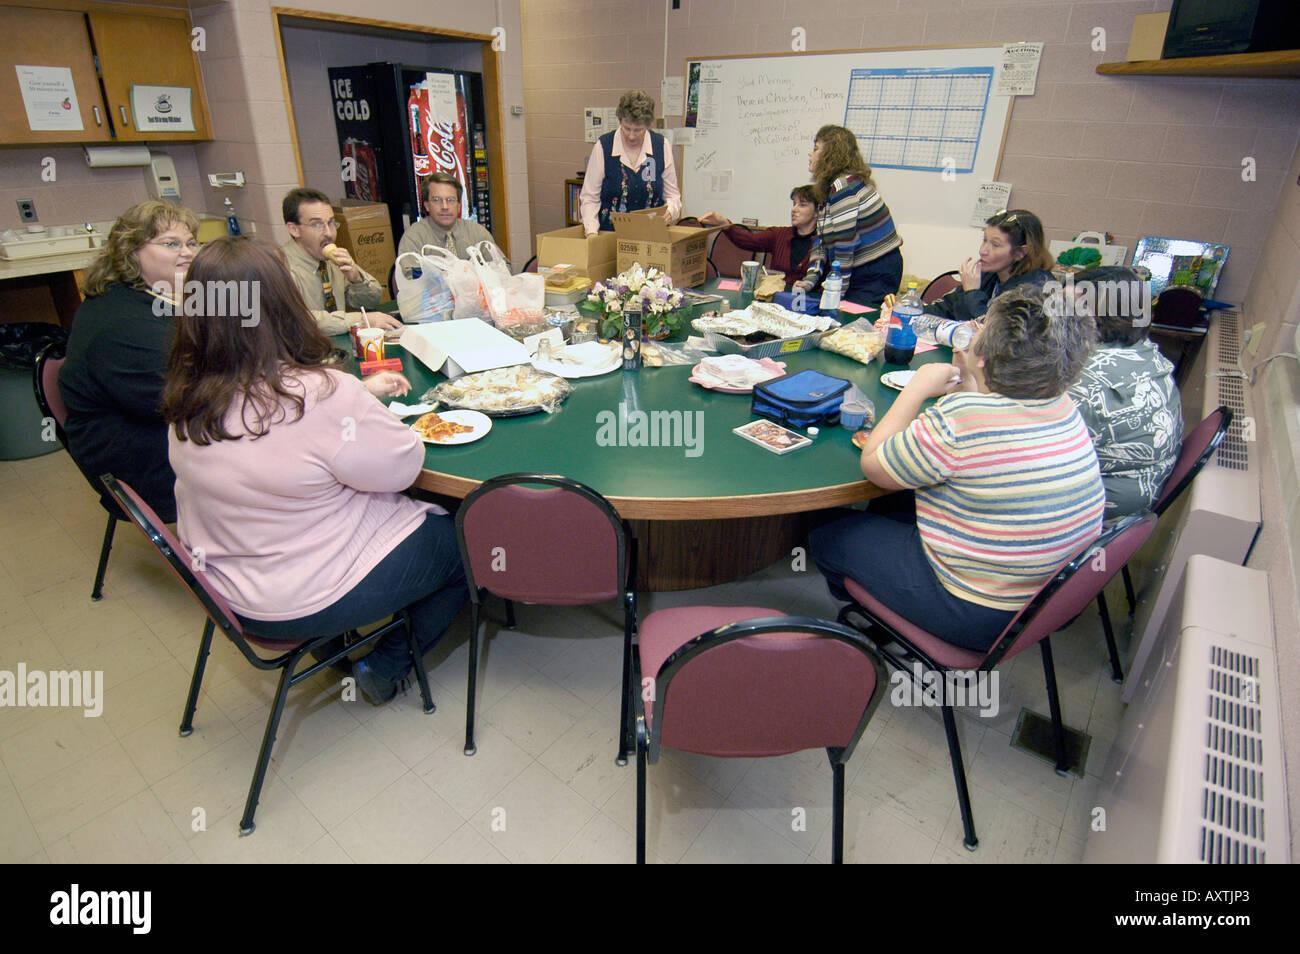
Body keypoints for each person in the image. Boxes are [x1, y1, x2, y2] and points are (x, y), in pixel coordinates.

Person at [161, 236, 467, 704]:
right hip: (300, 596)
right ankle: (385, 665)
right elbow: (402, 467)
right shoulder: (319, 393)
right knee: (466, 544)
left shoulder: (187, 393)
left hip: (225, 588)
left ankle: (335, 646)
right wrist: (356, 402)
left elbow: (276, 443)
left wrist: (357, 396)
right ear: (284, 305)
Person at [811, 287, 1105, 652]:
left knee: (826, 531)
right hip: (1044, 601)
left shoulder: (965, 417)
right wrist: (973, 384)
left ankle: (881, 617)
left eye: (981, 325)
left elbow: (875, 465)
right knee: (900, 502)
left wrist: (916, 390)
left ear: (985, 356)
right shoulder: (1063, 405)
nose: (972, 328)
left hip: (978, 615)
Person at [59, 199, 200, 522]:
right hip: (139, 462)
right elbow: (186, 401)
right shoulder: (121, 322)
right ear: (132, 251)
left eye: (191, 242)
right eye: (172, 244)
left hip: (154, 429)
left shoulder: (151, 296)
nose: (188, 251)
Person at [1066, 265, 1183, 519]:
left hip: (1094, 513)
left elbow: (1021, 452)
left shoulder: (1086, 385)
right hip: (1135, 495)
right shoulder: (1144, 351)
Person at [793, 125, 903, 307]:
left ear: (831, 154)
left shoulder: (844, 186)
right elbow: (821, 242)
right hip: (860, 269)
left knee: (851, 324)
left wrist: (836, 294)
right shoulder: (828, 191)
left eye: (816, 148)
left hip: (877, 270)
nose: (810, 154)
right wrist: (810, 280)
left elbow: (845, 246)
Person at [279, 187, 399, 335]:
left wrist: (356, 278)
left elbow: (371, 301)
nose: (328, 233)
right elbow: (302, 321)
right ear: (293, 229)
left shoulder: (330, 261)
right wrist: (362, 320)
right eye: (317, 225)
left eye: (331, 223)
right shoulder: (279, 268)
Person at [580, 90, 681, 236]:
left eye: (638, 130)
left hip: (650, 235)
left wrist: (671, 212)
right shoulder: (604, 146)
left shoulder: (661, 146)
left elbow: (673, 196)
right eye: (626, 128)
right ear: (620, 120)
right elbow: (589, 197)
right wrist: (591, 232)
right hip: (610, 235)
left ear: (647, 126)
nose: (631, 136)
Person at [925, 209, 1054, 321]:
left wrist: (971, 292)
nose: (983, 251)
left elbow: (994, 333)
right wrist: (911, 310)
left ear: (1020, 252)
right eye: (985, 240)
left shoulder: (1036, 289)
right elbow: (946, 309)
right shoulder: (989, 274)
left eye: (995, 245)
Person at [700, 185, 819, 283]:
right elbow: (748, 240)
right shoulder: (779, 235)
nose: (794, 209)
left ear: (817, 212)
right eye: (794, 204)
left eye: (802, 205)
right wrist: (725, 224)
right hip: (777, 302)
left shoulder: (825, 242)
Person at [397, 171, 494, 259]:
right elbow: (407, 276)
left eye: (450, 200)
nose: (444, 206)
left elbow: (503, 269)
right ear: (427, 206)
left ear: (459, 206)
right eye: (437, 200)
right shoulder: (413, 237)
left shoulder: (478, 233)